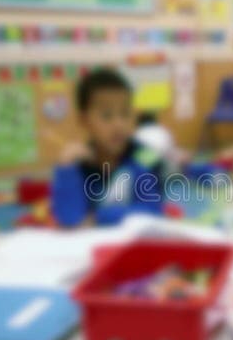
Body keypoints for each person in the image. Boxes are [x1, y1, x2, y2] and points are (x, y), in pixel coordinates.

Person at [51, 69, 164, 227]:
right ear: (84, 121)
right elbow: (69, 219)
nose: (118, 125)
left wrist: (98, 217)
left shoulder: (146, 157)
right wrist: (66, 169)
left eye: (125, 114)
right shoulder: (78, 164)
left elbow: (152, 211)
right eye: (106, 116)